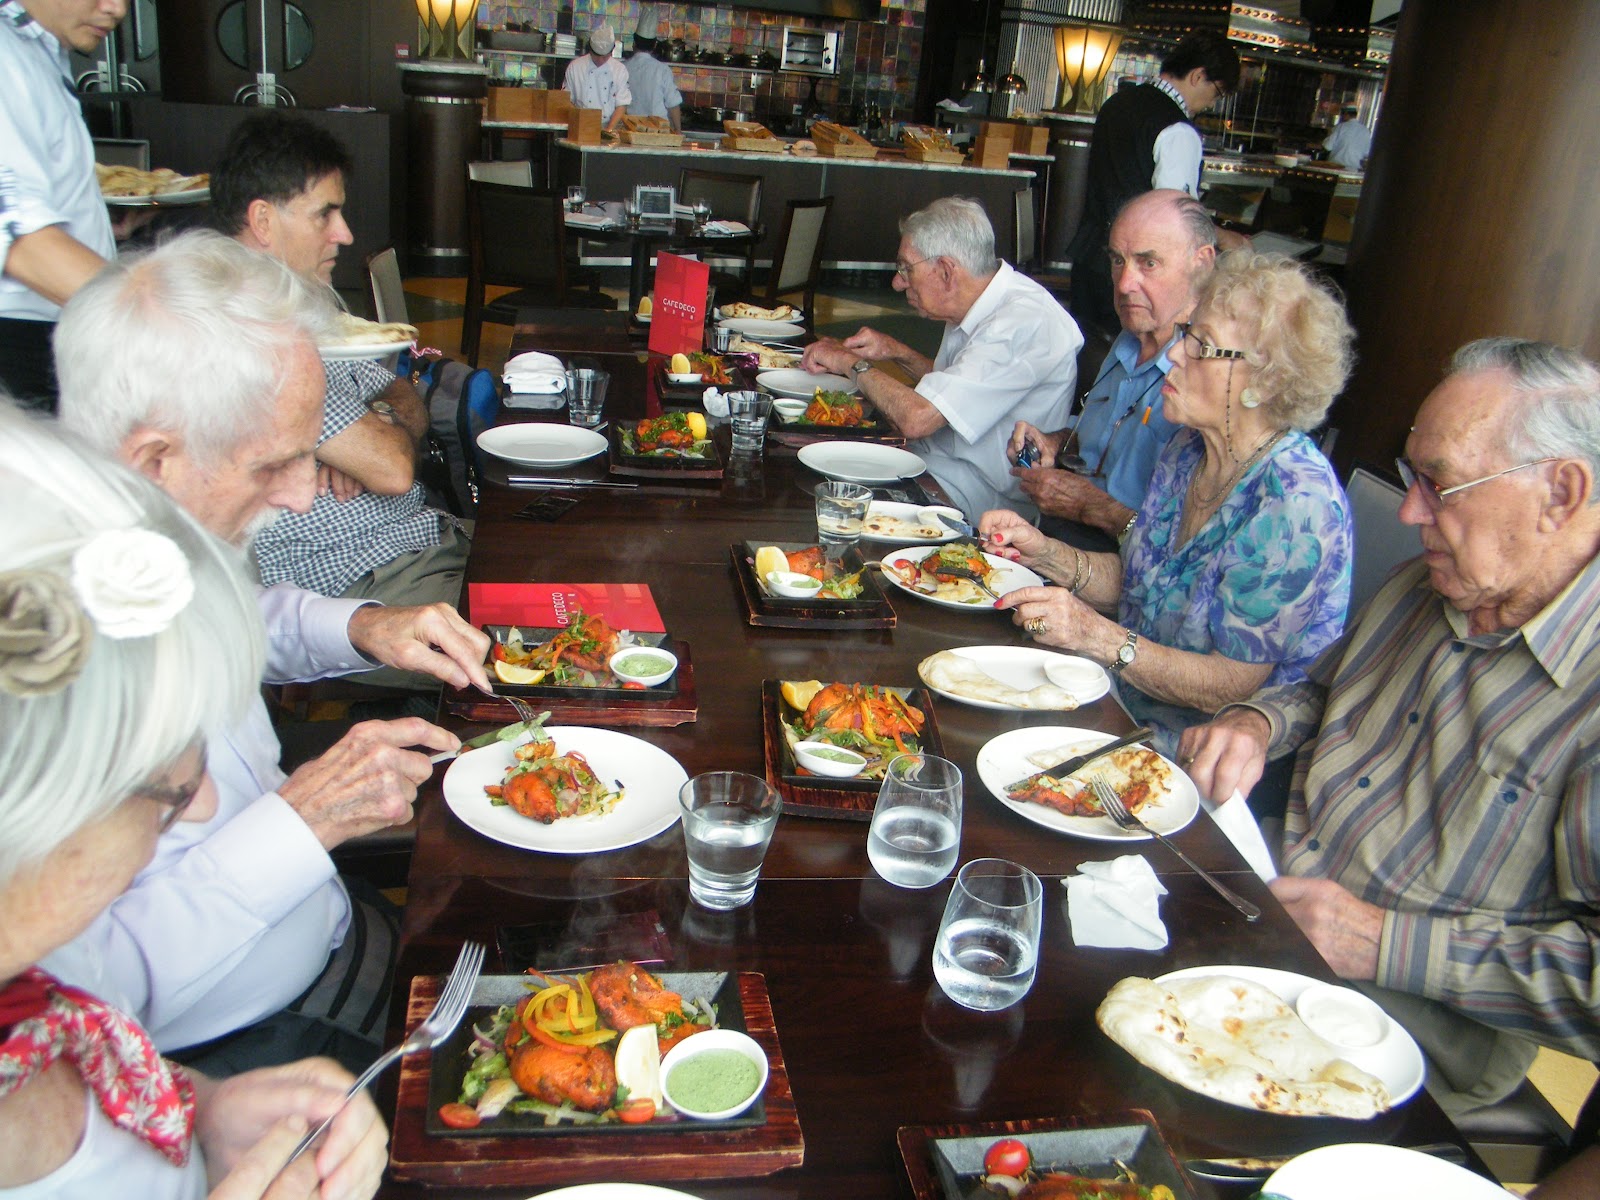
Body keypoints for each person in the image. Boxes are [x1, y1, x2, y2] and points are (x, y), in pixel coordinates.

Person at [53, 231, 487, 1075]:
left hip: (330, 929)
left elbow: (238, 618)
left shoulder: (149, 537)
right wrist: (306, 818)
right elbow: (86, 998)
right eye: (275, 464)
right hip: (238, 1057)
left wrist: (362, 625)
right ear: (153, 458)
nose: (298, 497)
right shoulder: (43, 649)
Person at [1179, 338, 1600, 1115]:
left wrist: (1381, 942)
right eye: (1414, 478)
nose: (1409, 513)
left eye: (1440, 485)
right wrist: (1256, 723)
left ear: (1563, 494)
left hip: (1387, 1037)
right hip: (1259, 905)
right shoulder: (1428, 586)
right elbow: (1318, 691)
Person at [0, 401, 387, 1199]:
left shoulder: (41, 962)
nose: (215, 796)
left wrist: (204, 1109)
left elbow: (108, 1067)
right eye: (173, 798)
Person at [985, 251, 1354, 760]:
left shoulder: (1295, 502)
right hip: (1115, 700)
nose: (1176, 354)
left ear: (1262, 383)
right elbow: (1141, 582)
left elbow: (1230, 686)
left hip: (1194, 756)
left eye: (1200, 346)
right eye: (1186, 334)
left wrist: (1095, 637)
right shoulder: (1189, 449)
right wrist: (1042, 553)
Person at [212, 111, 470, 641]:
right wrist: (369, 440)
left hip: (417, 543)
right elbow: (394, 467)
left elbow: (403, 390)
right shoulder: (248, 333)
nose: (345, 233)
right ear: (263, 222)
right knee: (555, 630)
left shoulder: (306, 306)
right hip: (364, 589)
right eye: (324, 214)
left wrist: (371, 420)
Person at [799, 197, 1082, 520]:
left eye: (906, 268)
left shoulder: (1022, 322)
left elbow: (920, 419)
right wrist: (897, 351)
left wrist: (848, 362)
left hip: (977, 499)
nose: (897, 282)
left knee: (823, 503)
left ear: (946, 271)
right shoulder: (977, 300)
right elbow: (955, 387)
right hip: (935, 466)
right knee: (811, 458)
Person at [1007, 190, 1218, 551]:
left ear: (1201, 263)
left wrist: (1093, 507)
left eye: (1148, 263)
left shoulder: (1211, 372)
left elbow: (1186, 548)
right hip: (1054, 541)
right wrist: (1056, 443)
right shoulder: (1128, 339)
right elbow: (1101, 439)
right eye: (1118, 261)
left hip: (1122, 574)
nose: (1123, 284)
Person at [1067, 30, 1240, 338]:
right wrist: (1225, 238)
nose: (1211, 103)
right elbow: (1176, 218)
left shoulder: (1117, 103)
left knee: (1088, 357)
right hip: (1135, 273)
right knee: (1135, 363)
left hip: (1089, 255)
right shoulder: (1177, 129)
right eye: (1217, 92)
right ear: (1199, 76)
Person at [0, 0, 123, 409]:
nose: (117, 9)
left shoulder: (39, 48)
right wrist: (157, 317)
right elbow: (21, 242)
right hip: (20, 342)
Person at [564, 23, 630, 133]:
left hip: (609, 125)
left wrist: (608, 130)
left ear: (612, 51)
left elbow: (622, 104)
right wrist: (581, 121)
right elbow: (566, 99)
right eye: (596, 56)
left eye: (604, 57)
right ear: (590, 50)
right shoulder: (575, 67)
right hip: (580, 125)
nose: (600, 61)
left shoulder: (620, 70)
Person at [625, 5, 682, 133]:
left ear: (634, 44)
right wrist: (678, 131)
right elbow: (673, 104)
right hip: (658, 131)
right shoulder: (662, 70)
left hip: (632, 129)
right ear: (655, 45)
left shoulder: (623, 68)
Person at [1322, 102, 1372, 168]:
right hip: (1354, 170)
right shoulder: (1365, 130)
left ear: (1346, 114)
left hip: (1336, 167)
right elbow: (1367, 153)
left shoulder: (1340, 127)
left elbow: (1327, 146)